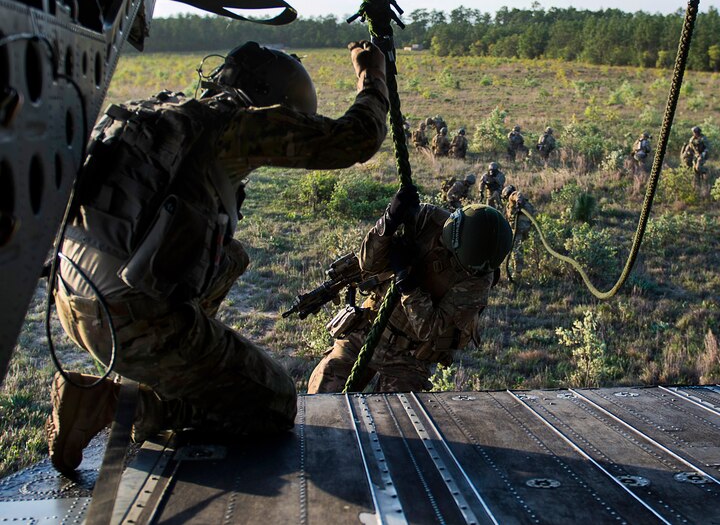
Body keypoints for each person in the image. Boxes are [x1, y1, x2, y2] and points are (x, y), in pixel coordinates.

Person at [47, 40, 390, 474]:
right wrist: (371, 73)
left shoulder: (166, 115)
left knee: (231, 256)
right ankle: (114, 404)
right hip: (131, 319)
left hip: (73, 301)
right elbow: (353, 141)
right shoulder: (234, 125)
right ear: (273, 104)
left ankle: (169, 368)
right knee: (275, 405)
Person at [307, 189, 512, 392]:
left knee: (397, 419)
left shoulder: (479, 280)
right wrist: (389, 222)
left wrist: (407, 284)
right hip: (368, 328)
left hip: (410, 357)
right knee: (324, 397)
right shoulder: (426, 219)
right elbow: (367, 264)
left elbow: (430, 329)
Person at [501, 184, 535, 278]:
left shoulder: (514, 196)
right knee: (519, 249)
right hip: (522, 229)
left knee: (517, 250)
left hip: (520, 229)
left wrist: (518, 202)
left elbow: (518, 195)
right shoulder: (510, 205)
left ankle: (517, 273)